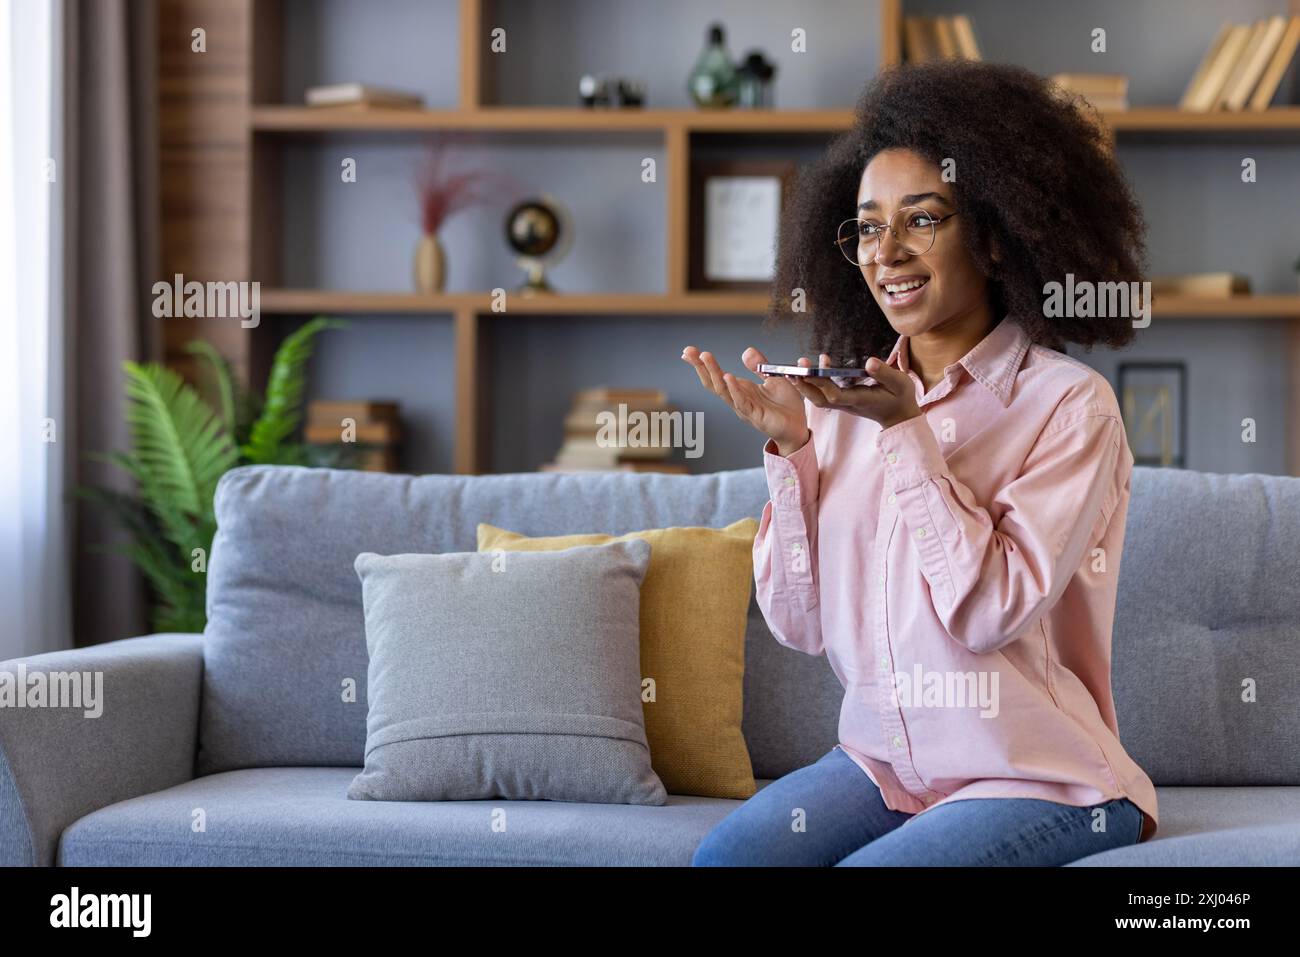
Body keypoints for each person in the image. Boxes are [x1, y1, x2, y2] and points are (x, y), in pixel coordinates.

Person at [681, 59, 1157, 866]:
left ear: (998, 235)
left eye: (922, 219)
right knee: (723, 862)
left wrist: (907, 434)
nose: (887, 251)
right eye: (867, 226)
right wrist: (796, 452)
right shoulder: (843, 404)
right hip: (884, 766)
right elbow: (799, 627)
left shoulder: (1071, 408)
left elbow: (987, 612)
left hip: (1037, 777)